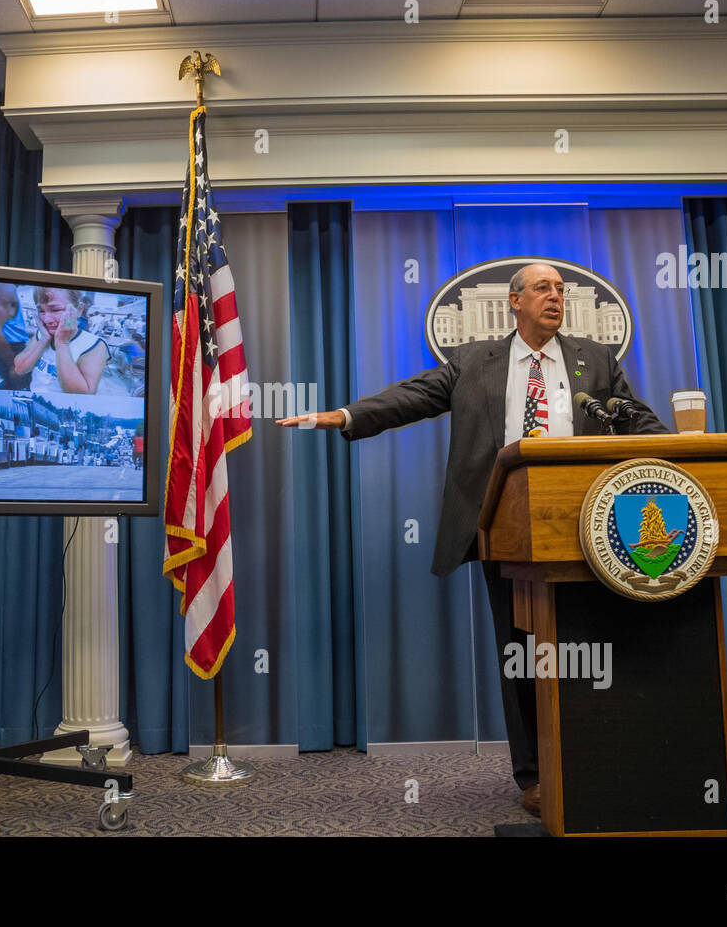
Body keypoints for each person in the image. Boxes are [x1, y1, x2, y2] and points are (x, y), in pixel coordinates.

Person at [276, 262, 668, 819]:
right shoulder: (474, 361)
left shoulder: (595, 359)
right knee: (521, 653)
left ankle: (594, 758)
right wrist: (342, 415)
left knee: (591, 646)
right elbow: (411, 397)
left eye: (561, 289)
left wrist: (683, 449)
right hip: (505, 529)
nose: (555, 297)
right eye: (542, 289)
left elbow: (638, 422)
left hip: (586, 527)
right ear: (514, 301)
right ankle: (535, 774)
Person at [11, 287, 107, 395]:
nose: (47, 319)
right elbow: (20, 368)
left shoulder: (94, 345)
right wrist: (43, 340)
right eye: (41, 311)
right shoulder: (42, 334)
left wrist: (62, 343)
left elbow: (82, 395)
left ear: (79, 310)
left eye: (55, 310)